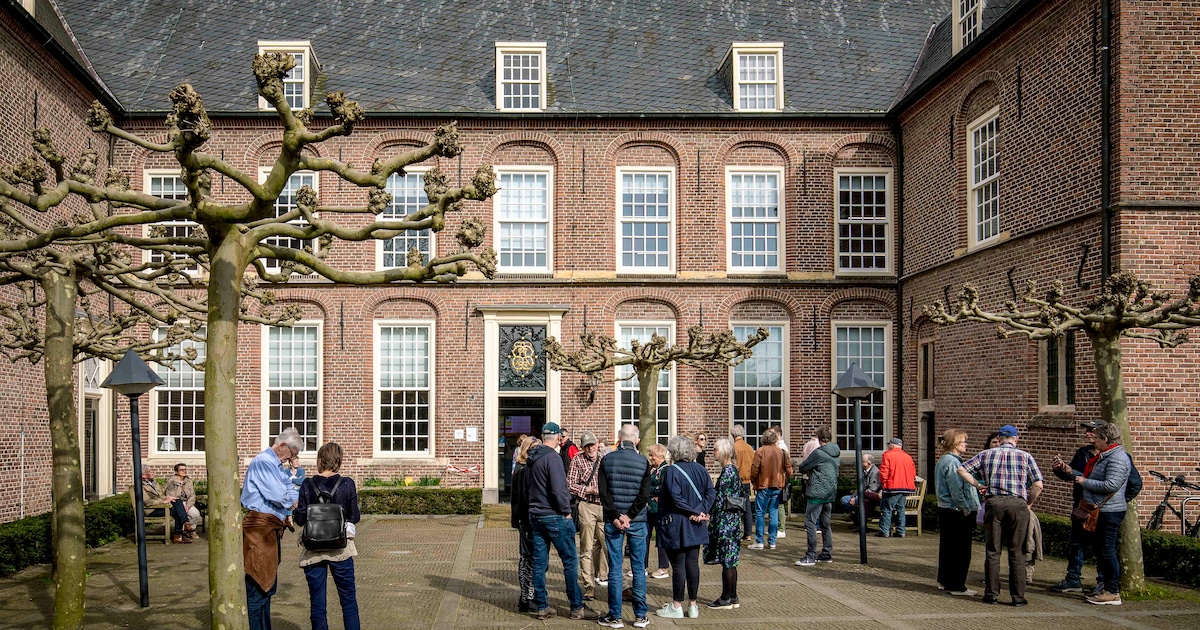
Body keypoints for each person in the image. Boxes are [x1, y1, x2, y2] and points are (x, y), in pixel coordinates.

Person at [958, 424, 1044, 607]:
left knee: (993, 550)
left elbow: (961, 470)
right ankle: (1018, 597)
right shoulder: (1025, 456)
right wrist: (1029, 502)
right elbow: (1038, 485)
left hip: (994, 503)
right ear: (1016, 438)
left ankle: (991, 594)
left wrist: (978, 485)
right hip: (1017, 504)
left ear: (999, 438)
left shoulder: (986, 454)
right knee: (1017, 551)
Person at [526, 422, 600, 621]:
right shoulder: (553, 458)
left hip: (536, 515)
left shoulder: (531, 458)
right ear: (558, 438)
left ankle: (542, 606)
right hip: (555, 516)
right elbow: (560, 489)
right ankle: (577, 607)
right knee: (569, 561)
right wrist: (566, 511)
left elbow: (528, 488)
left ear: (542, 437)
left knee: (540, 563)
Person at [242, 428, 303, 630]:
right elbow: (279, 494)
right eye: (292, 454)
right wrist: (290, 501)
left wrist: (290, 498)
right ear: (282, 445)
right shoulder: (263, 462)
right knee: (258, 583)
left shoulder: (276, 466)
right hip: (259, 529)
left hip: (270, 529)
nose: (291, 459)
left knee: (267, 585)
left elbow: (289, 487)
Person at [295, 442, 361, 630]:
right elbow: (354, 516)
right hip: (340, 549)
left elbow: (300, 519)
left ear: (320, 460)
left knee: (317, 604)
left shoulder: (307, 484)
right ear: (338, 460)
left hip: (313, 550)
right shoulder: (347, 483)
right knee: (348, 602)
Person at [597, 424, 652, 629]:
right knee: (638, 568)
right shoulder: (643, 462)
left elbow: (604, 493)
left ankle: (615, 616)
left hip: (613, 521)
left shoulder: (607, 460)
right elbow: (643, 495)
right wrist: (629, 515)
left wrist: (616, 515)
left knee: (615, 568)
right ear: (636, 441)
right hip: (637, 521)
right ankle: (640, 616)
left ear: (619, 439)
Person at [656, 435, 715, 619]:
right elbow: (711, 491)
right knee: (692, 564)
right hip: (696, 523)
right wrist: (702, 510)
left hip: (678, 523)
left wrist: (694, 511)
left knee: (679, 566)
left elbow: (675, 497)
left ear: (673, 451)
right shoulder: (701, 469)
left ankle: (676, 606)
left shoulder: (672, 471)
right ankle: (693, 605)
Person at [1076, 422, 1131, 606]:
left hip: (1109, 511)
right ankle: (1107, 588)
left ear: (1105, 439)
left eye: (1097, 438)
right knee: (1102, 550)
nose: (1095, 441)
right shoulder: (1106, 456)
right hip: (1104, 509)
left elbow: (1111, 485)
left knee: (1107, 551)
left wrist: (1085, 482)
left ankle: (1112, 591)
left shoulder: (1116, 458)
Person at [1049, 420, 1105, 594]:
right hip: (1081, 504)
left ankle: (1103, 581)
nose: (1087, 434)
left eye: (1091, 431)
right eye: (1086, 431)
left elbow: (1102, 480)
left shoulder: (1112, 455)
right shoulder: (1083, 453)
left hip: (1102, 507)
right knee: (1076, 543)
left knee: (1102, 546)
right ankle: (1073, 578)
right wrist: (1061, 470)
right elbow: (1073, 476)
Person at [935, 429, 980, 596]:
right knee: (960, 550)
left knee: (947, 548)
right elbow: (956, 489)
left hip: (946, 509)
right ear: (954, 444)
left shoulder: (943, 460)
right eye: (963, 442)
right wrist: (966, 508)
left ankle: (945, 580)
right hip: (956, 511)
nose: (966, 445)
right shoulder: (953, 463)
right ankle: (957, 585)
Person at [567, 430, 607, 600]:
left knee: (608, 545)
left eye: (593, 444)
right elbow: (570, 483)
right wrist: (587, 490)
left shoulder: (605, 458)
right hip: (586, 505)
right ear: (583, 447)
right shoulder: (577, 459)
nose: (591, 448)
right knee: (586, 547)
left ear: (598, 444)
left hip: (605, 506)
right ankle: (588, 585)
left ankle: (605, 577)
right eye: (587, 446)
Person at [704, 437, 742, 609]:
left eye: (716, 450)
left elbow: (720, 500)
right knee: (731, 560)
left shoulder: (727, 472)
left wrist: (708, 514)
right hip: (732, 520)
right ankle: (732, 596)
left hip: (725, 522)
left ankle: (726, 597)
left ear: (724, 452)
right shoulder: (733, 470)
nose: (714, 453)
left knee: (727, 560)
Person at [795, 426, 840, 566]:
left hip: (817, 491)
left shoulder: (819, 453)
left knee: (810, 522)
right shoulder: (836, 452)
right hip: (830, 492)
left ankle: (810, 555)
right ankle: (826, 553)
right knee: (826, 524)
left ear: (819, 438)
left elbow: (802, 467)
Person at [748, 429, 792, 549]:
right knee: (773, 512)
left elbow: (754, 469)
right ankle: (772, 541)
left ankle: (759, 541)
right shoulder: (782, 452)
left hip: (763, 486)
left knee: (760, 513)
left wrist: (753, 481)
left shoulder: (760, 451)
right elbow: (789, 470)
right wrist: (783, 478)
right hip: (777, 486)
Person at [511, 436, 539, 612]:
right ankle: (526, 597)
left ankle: (527, 596)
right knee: (528, 559)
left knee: (529, 559)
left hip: (525, 520)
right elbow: (522, 500)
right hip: (527, 521)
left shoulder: (523, 469)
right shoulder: (523, 470)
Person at [140, 467, 192, 544]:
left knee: (177, 501)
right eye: (150, 471)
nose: (152, 472)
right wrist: (163, 501)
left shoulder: (154, 482)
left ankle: (184, 525)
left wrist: (169, 498)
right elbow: (148, 502)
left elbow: (161, 495)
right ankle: (179, 533)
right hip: (151, 510)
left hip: (161, 507)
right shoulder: (140, 486)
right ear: (144, 475)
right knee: (178, 511)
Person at [878, 438, 917, 538]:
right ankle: (901, 531)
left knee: (887, 509)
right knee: (901, 509)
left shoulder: (888, 455)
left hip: (892, 486)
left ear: (892, 445)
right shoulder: (908, 457)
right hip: (906, 487)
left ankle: (884, 531)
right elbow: (913, 473)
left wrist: (884, 484)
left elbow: (884, 472)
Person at [646, 442, 672, 580]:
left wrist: (648, 491)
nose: (651, 458)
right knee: (645, 537)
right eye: (650, 455)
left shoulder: (666, 469)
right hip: (648, 508)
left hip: (660, 509)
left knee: (661, 538)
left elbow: (663, 488)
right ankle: (642, 566)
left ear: (660, 455)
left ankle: (663, 567)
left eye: (653, 455)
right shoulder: (651, 469)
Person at [840, 453, 881, 531]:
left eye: (863, 461)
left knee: (859, 501)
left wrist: (856, 498)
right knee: (844, 499)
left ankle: (854, 516)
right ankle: (855, 517)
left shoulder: (875, 473)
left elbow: (872, 489)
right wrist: (853, 497)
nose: (860, 463)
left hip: (870, 497)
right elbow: (859, 487)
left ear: (868, 463)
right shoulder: (862, 471)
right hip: (860, 495)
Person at [731, 425, 756, 543]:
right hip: (747, 480)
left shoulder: (733, 447)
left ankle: (736, 532)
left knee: (734, 507)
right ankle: (748, 533)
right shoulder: (750, 448)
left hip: (736, 480)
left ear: (733, 435)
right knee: (747, 508)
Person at [163, 462, 202, 538]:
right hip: (177, 503)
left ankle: (190, 530)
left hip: (187, 502)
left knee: (196, 514)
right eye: (181, 470)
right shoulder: (171, 482)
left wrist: (188, 505)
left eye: (185, 469)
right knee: (182, 514)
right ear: (177, 472)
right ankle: (183, 530)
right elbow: (171, 496)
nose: (184, 471)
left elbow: (192, 495)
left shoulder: (188, 481)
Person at [770, 425, 791, 538]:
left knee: (779, 504)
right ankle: (775, 527)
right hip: (777, 478)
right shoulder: (778, 446)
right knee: (775, 504)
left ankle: (781, 528)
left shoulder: (781, 447)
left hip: (780, 479)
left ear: (778, 434)